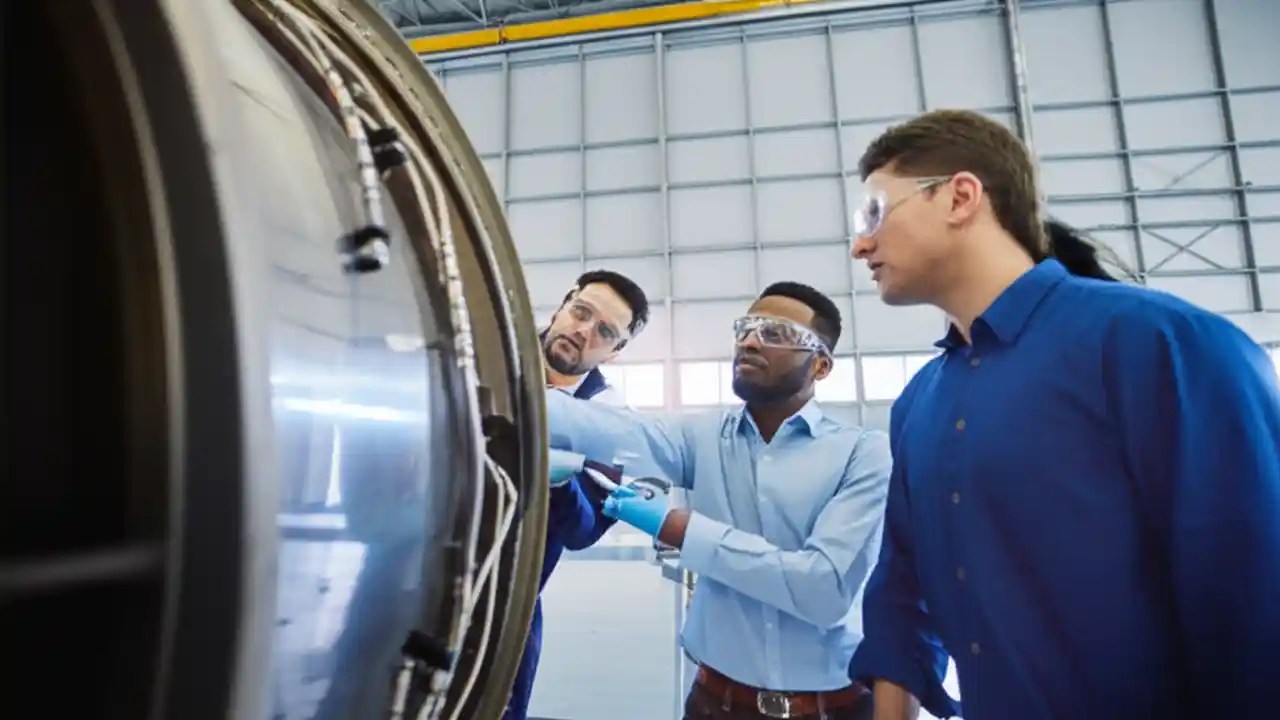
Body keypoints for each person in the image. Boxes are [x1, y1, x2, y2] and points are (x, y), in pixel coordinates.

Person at [845, 109, 1280, 720]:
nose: (861, 243)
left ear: (960, 197)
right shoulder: (921, 401)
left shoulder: (1159, 345)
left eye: (873, 213)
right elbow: (903, 587)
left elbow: (1253, 600)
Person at [545, 282, 890, 720]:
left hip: (832, 709)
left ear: (820, 366)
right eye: (746, 328)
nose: (749, 340)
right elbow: (609, 430)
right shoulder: (701, 438)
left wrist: (679, 528)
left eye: (775, 333)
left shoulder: (863, 454)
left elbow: (822, 590)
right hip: (715, 705)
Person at [505, 269, 650, 720]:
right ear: (564, 304)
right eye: (581, 312)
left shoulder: (610, 423)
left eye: (604, 331)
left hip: (507, 611)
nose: (584, 331)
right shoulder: (489, 350)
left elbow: (584, 530)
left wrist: (561, 479)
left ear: (617, 350)